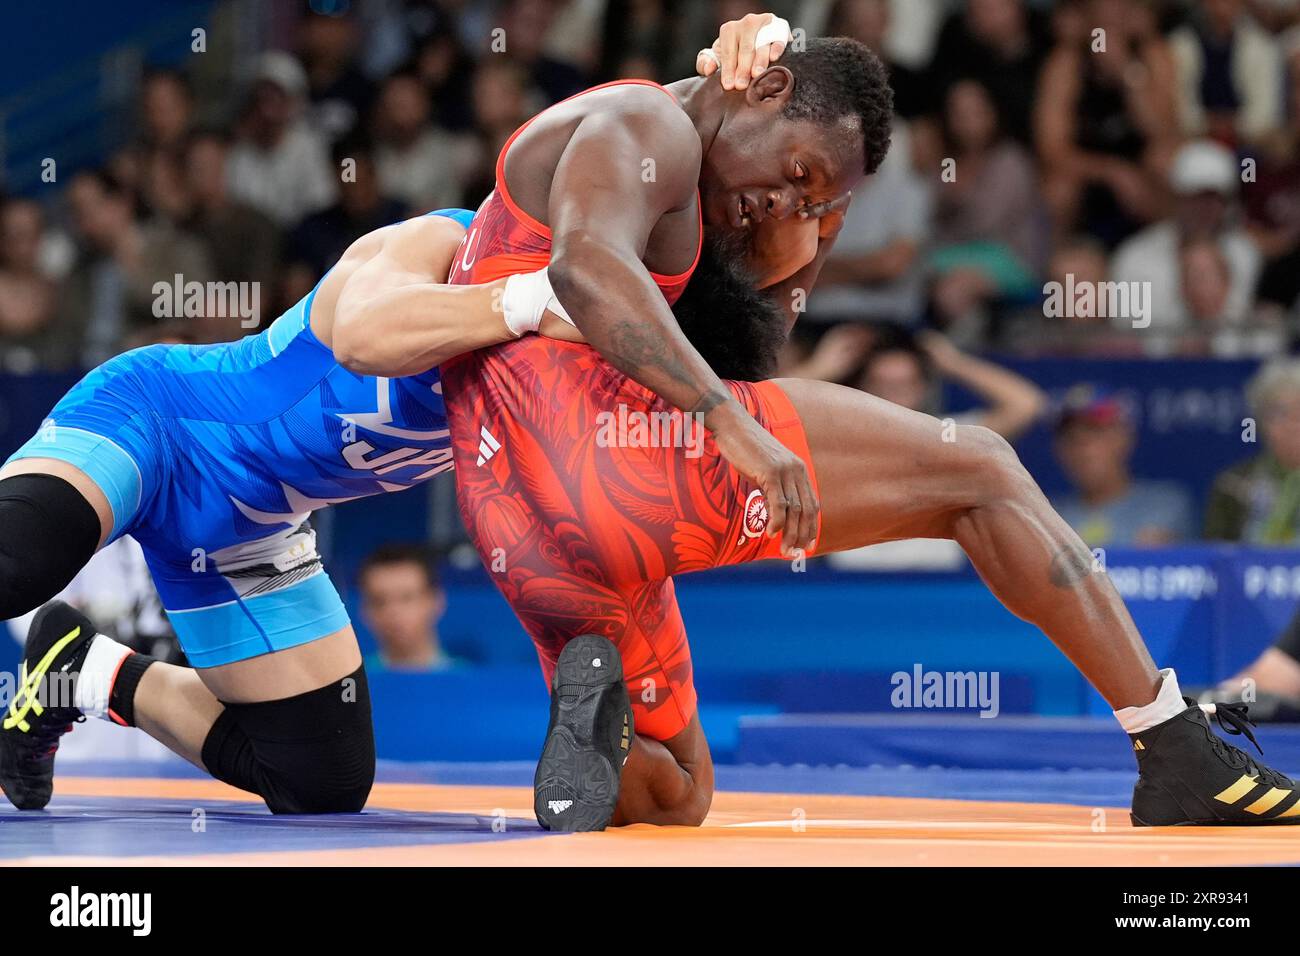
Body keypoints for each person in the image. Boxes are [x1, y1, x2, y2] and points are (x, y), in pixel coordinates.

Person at [433, 22, 1300, 831]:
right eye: (802, 175)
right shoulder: (646, 118)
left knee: (682, 793)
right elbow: (585, 267)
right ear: (766, 89)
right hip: (595, 445)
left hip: (524, 520)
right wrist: (732, 425)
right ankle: (1171, 741)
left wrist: (800, 252)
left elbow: (728, 352)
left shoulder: (698, 193)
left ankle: (602, 733)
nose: (787, 203)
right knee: (982, 467)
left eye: (815, 202)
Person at [0, 12, 783, 818]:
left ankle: (85, 669)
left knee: (320, 782)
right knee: (15, 565)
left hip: (252, 528)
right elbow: (367, 334)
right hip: (155, 423)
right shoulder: (439, 245)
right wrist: (533, 297)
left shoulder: (569, 387)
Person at [1049, 385, 1194, 547]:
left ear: (1124, 439)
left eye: (1096, 432)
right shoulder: (1050, 516)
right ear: (1058, 450)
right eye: (1072, 438)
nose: (1085, 449)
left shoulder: (1165, 503)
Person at [1204, 357, 1300, 543]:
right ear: (1260, 422)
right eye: (1281, 413)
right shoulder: (1231, 484)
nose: (1294, 424)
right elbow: (1215, 557)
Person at [356, 545, 455, 673]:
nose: (392, 611)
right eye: (379, 601)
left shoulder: (472, 681)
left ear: (436, 601)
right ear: (364, 610)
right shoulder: (351, 685)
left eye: (406, 598)